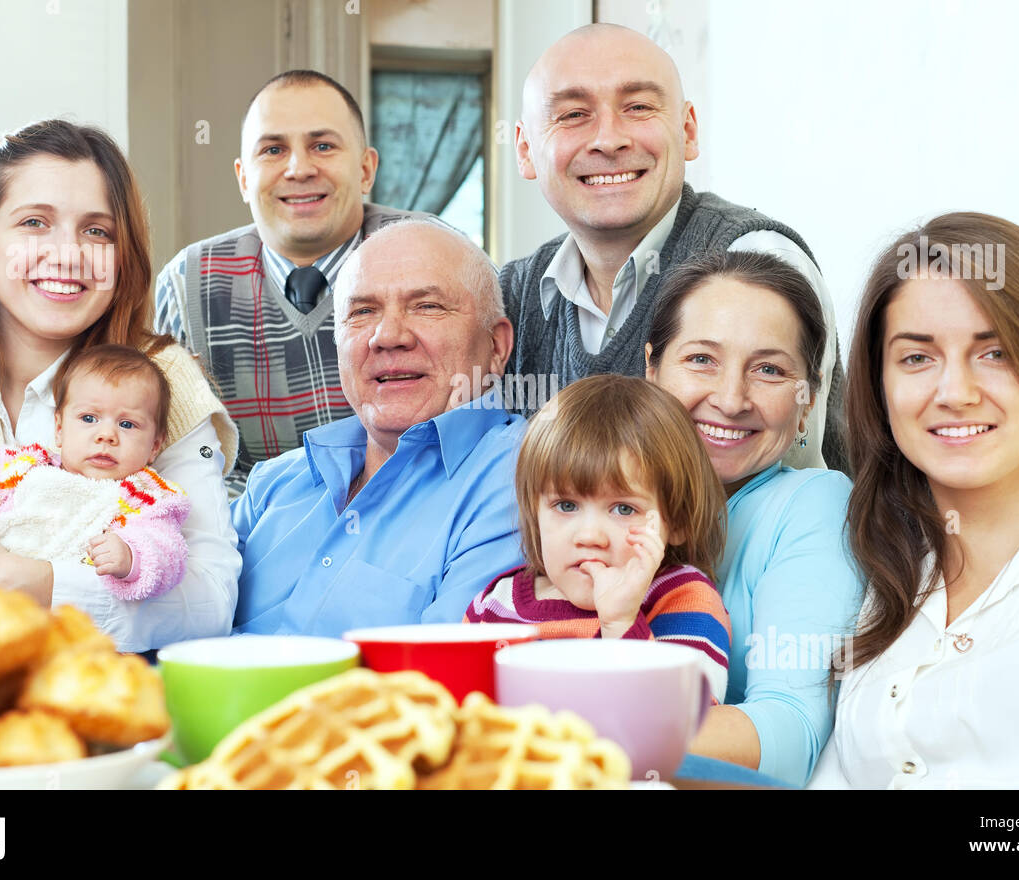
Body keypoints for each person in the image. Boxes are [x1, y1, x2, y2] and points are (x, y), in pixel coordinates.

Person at [0, 119, 239, 652]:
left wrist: (34, 584)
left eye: (97, 231)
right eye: (34, 222)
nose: (68, 254)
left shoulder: (160, 378)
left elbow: (210, 603)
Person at [810, 213, 1019, 789]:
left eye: (995, 353)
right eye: (917, 358)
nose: (954, 393)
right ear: (881, 391)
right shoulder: (879, 580)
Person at [502, 23, 847, 473]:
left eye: (638, 107)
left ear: (687, 131)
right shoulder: (512, 296)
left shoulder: (753, 261)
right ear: (525, 149)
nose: (609, 139)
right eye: (573, 114)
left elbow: (782, 489)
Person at [231, 220, 523, 637]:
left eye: (427, 306)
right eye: (363, 311)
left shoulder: (523, 480)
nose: (387, 336)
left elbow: (443, 679)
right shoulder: (275, 481)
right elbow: (175, 616)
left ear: (496, 346)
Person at [155, 69, 435, 491]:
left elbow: (473, 431)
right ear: (243, 178)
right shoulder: (186, 284)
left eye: (323, 145)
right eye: (272, 149)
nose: (299, 168)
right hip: (250, 543)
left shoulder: (435, 255)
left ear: (365, 168)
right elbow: (180, 465)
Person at [644, 249, 863, 788]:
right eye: (701, 359)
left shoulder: (817, 504)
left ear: (807, 399)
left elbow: (790, 735)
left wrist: (566, 732)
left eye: (769, 369)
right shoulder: (581, 494)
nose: (730, 398)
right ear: (651, 369)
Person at [465, 373, 731, 699]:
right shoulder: (496, 603)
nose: (589, 536)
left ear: (675, 521)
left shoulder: (683, 599)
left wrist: (620, 624)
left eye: (623, 509)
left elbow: (685, 723)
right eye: (565, 505)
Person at [0, 345, 190, 602]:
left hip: (63, 617)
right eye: (89, 418)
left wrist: (132, 556)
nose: (106, 435)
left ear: (154, 445)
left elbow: (168, 549)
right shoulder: (22, 465)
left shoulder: (147, 496)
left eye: (127, 424)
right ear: (59, 429)